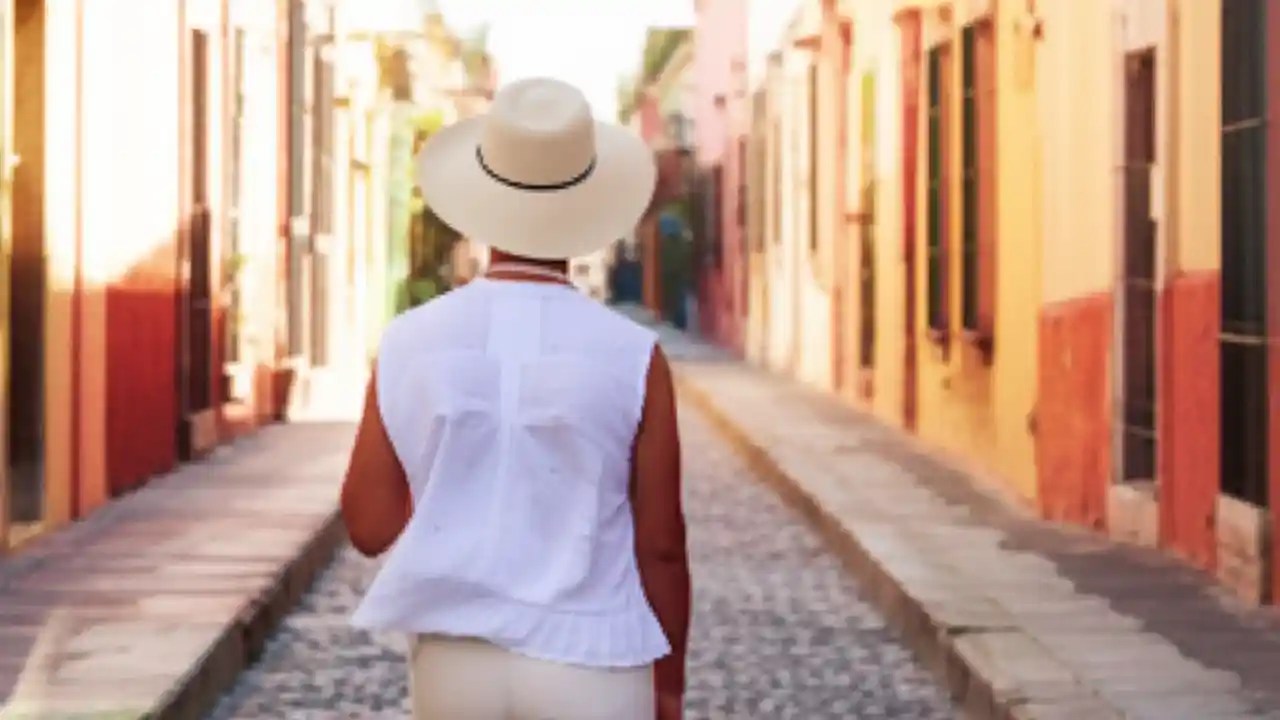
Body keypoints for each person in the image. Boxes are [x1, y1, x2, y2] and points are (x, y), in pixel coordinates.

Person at [340, 77, 691, 720]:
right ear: (589, 204)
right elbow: (661, 543)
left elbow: (369, 525)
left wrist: (461, 481)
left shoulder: (409, 342)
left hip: (454, 664)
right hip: (596, 661)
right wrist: (668, 685)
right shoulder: (633, 356)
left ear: (482, 195)